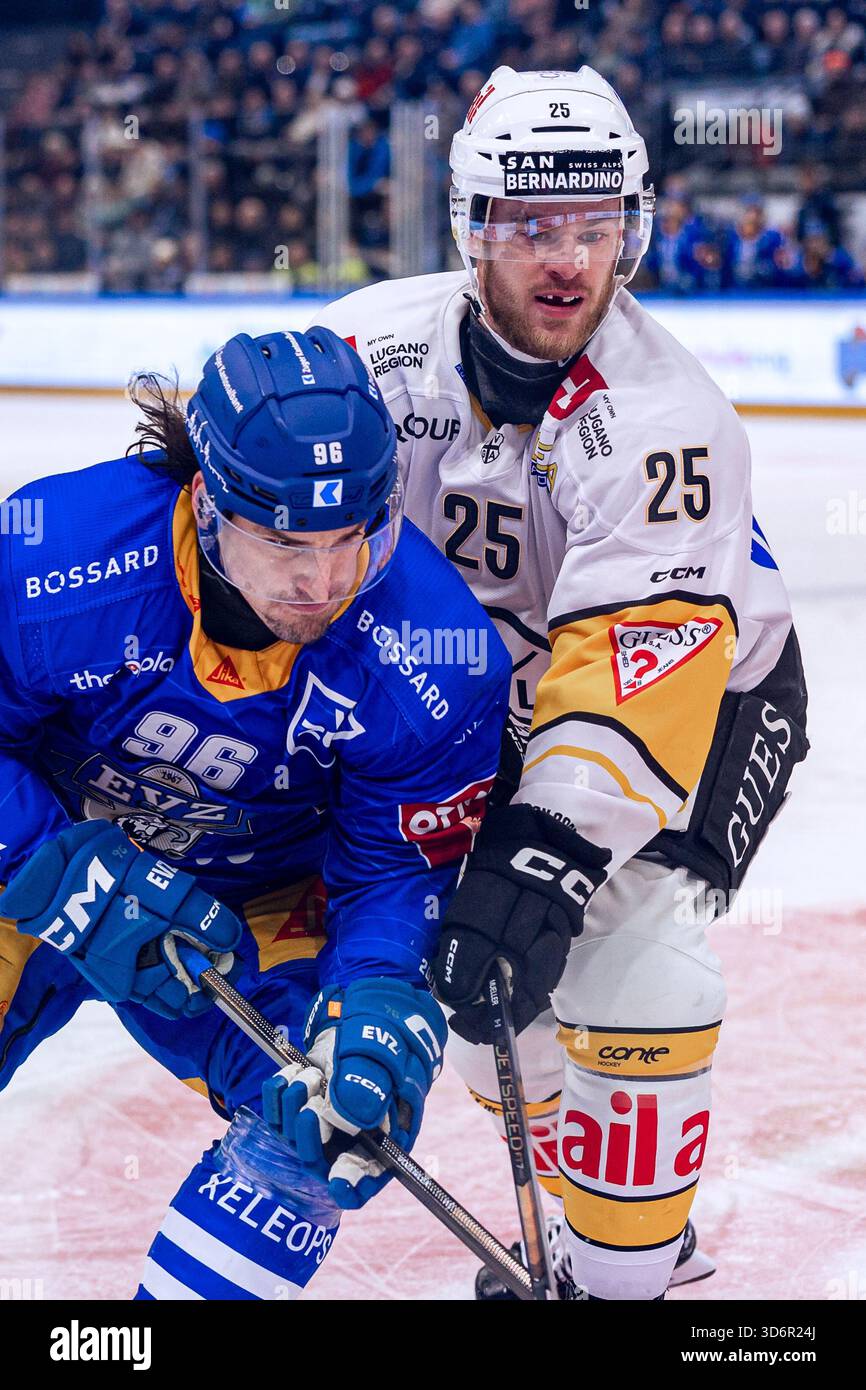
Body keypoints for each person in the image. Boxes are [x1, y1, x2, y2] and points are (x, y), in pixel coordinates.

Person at [314, 66, 809, 1301]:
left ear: (631, 227)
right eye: (533, 224)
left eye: (596, 225)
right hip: (495, 707)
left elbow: (639, 674)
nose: (568, 259)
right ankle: (601, 1213)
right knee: (486, 995)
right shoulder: (369, 351)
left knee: (629, 961)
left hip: (704, 698)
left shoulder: (668, 419)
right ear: (471, 225)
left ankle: (630, 1276)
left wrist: (540, 859)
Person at [0, 327, 510, 1300]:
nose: (323, 583)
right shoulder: (55, 558)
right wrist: (43, 859)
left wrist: (376, 992)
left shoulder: (433, 652)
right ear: (205, 502)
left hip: (257, 908)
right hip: (46, 858)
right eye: (284, 542)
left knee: (323, 1117)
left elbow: (394, 867)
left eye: (352, 536)